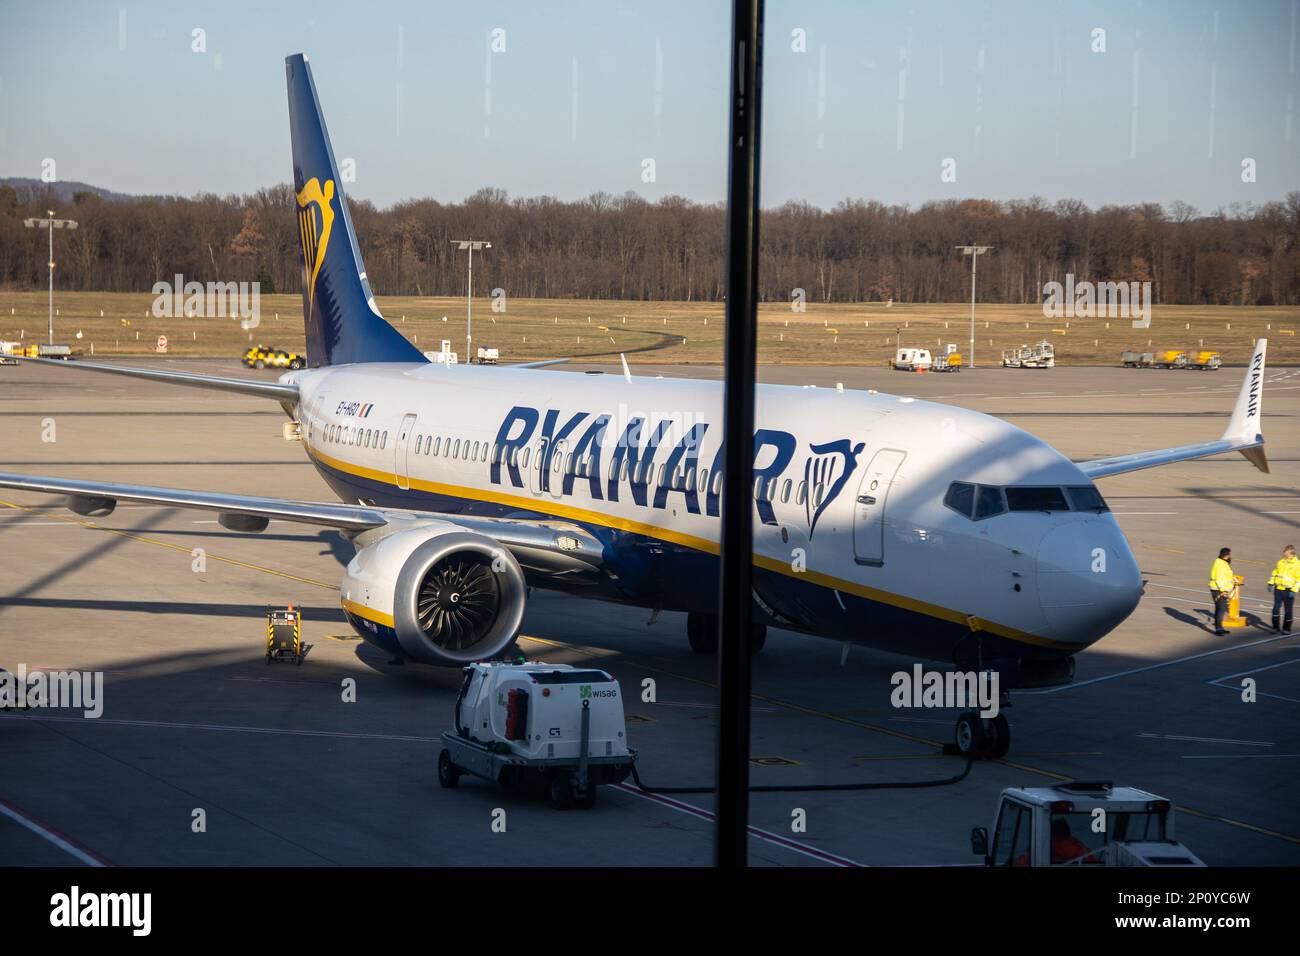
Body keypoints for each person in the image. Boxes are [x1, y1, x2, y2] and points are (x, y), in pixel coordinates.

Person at [1268, 545, 1299, 634]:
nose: (1284, 554)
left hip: (1289, 590)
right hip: (1278, 589)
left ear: (1291, 553)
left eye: (1285, 552)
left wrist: (1294, 590)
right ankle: (1275, 627)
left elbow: (1299, 579)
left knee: (1288, 610)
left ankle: (1286, 628)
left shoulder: (1297, 565)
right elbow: (1275, 573)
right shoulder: (1281, 562)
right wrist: (1271, 583)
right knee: (1275, 608)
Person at [1208, 547, 1236, 636]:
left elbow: (1225, 576)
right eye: (1229, 555)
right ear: (1226, 555)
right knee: (1221, 609)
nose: (1230, 557)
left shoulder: (1221, 562)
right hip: (1218, 590)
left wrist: (1232, 579)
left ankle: (1220, 627)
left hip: (1218, 589)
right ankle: (1218, 629)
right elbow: (1219, 579)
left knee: (1219, 608)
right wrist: (1223, 590)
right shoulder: (1221, 564)